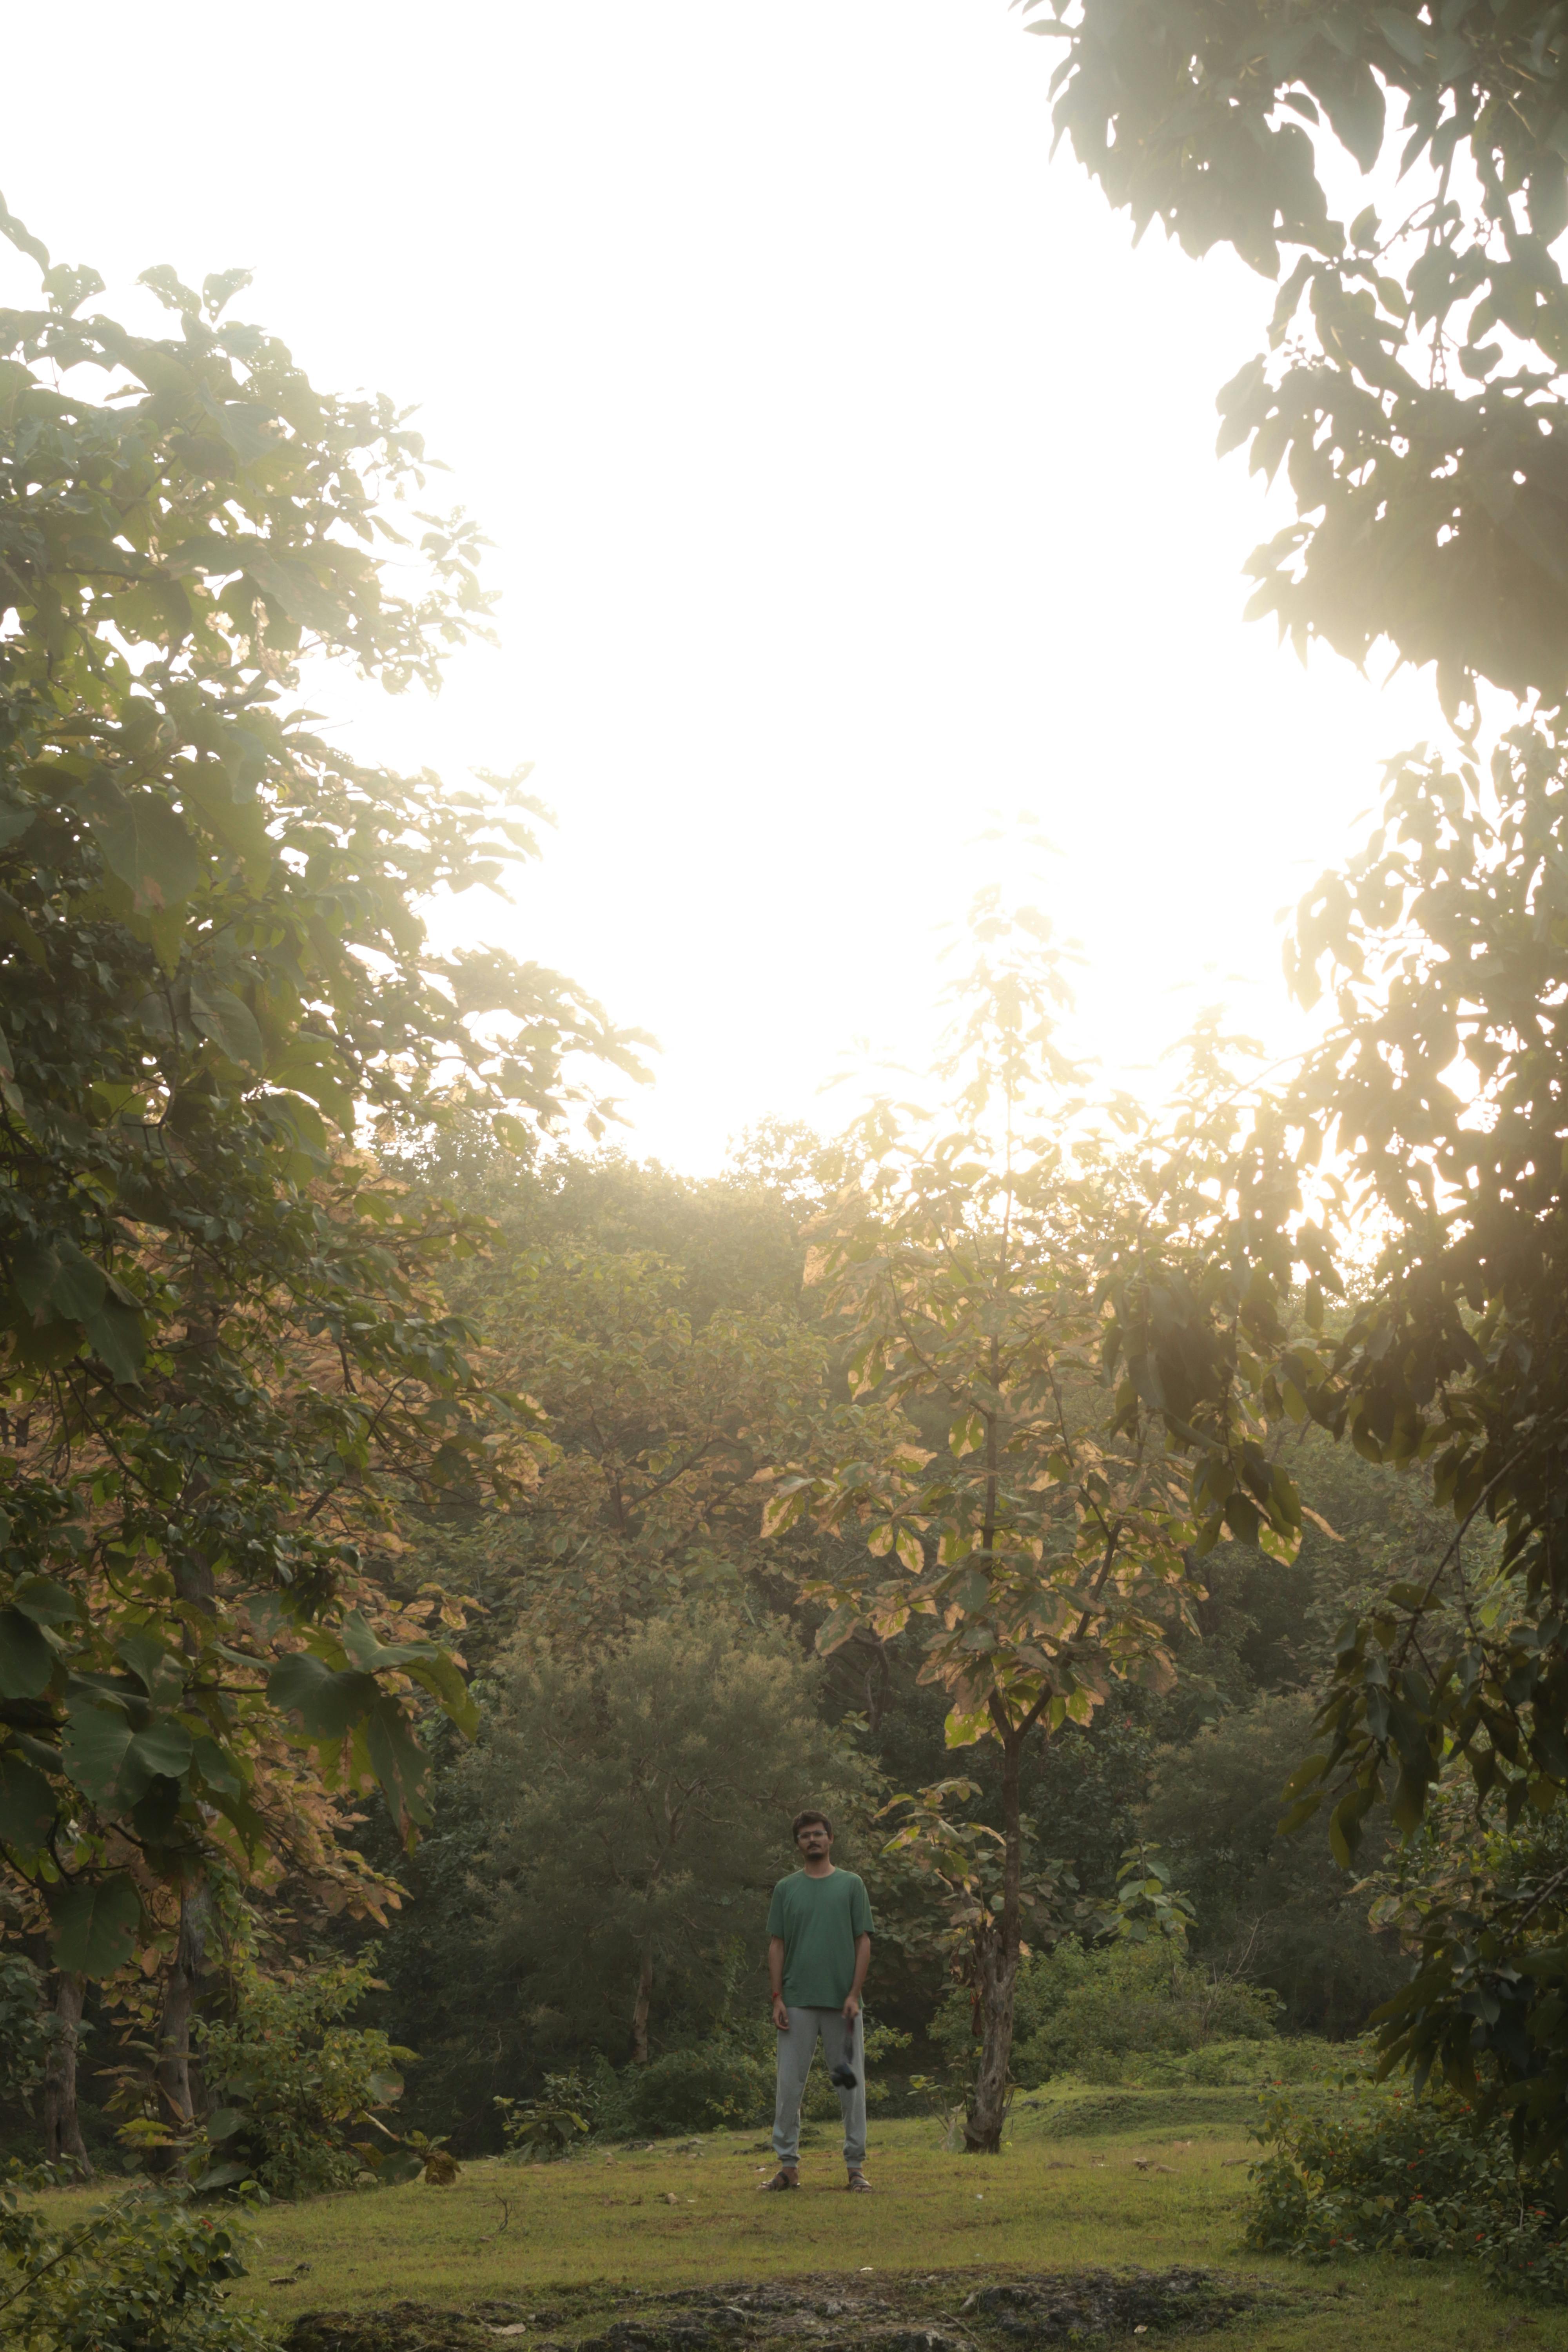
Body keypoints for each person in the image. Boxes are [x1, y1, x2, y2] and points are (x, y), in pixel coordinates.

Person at [762, 1808, 873, 2192]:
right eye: (805, 1835)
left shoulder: (851, 1885)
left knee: (848, 2086)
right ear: (798, 1844)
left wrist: (854, 1994)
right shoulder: (785, 1889)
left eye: (818, 1834)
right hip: (796, 2003)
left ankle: (855, 2168)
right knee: (789, 2086)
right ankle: (788, 2168)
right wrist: (777, 1997)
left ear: (830, 1839)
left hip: (842, 2006)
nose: (812, 1840)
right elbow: (776, 1946)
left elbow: (864, 1942)